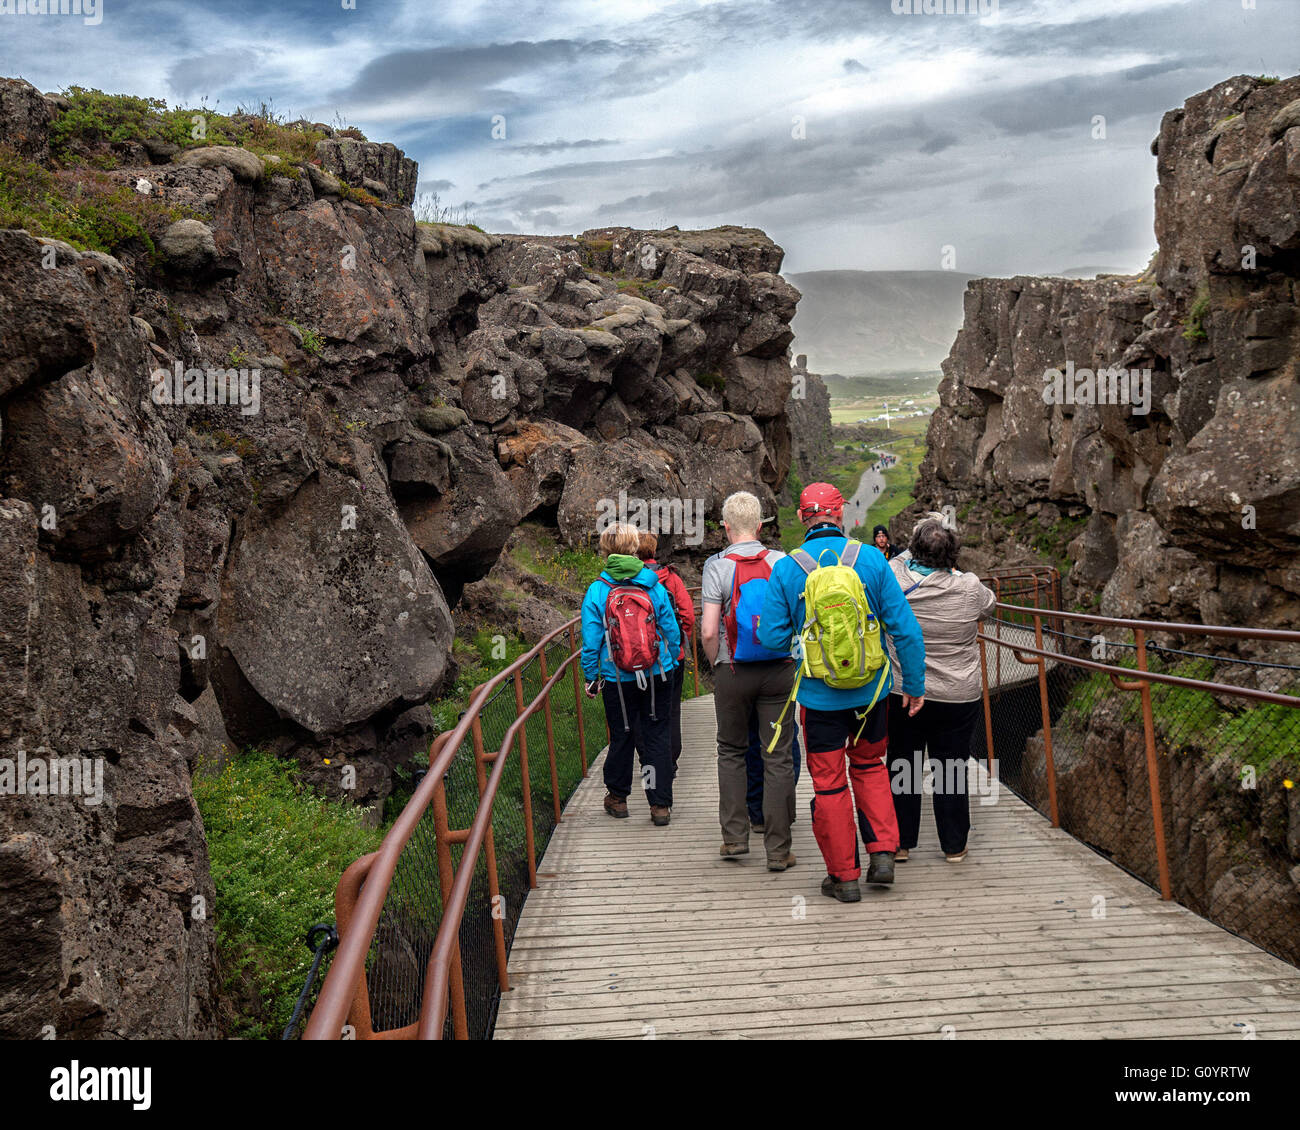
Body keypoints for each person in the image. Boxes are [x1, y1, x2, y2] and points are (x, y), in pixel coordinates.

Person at [757, 483, 926, 902]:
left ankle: (844, 878)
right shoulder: (870, 559)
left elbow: (773, 638)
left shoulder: (788, 568)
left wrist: (804, 638)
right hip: (872, 695)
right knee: (870, 766)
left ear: (801, 517)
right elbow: (904, 628)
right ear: (842, 514)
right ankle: (883, 853)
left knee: (829, 784)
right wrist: (915, 685)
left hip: (818, 699)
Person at [886, 518, 996, 862]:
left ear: (914, 550)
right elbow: (989, 607)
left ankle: (901, 843)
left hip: (904, 689)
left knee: (903, 761)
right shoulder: (969, 586)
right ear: (954, 555)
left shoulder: (896, 577)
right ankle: (953, 845)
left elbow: (899, 560)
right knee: (950, 765)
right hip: (957, 693)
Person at [700, 492, 797, 871]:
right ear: (760, 526)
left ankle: (735, 839)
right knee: (777, 756)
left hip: (733, 670)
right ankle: (778, 850)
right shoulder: (782, 562)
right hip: (778, 670)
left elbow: (709, 631)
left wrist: (718, 666)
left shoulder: (716, 566)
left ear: (726, 527)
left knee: (731, 751)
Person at [580, 522, 682, 826]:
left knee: (622, 734)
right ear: (635, 547)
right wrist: (672, 658)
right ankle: (659, 804)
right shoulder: (653, 583)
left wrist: (590, 675)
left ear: (606, 550)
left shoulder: (598, 589)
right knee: (657, 735)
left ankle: (618, 798)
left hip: (616, 677)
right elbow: (671, 628)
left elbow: (591, 639)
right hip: (657, 674)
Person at [636, 531, 695, 775]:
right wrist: (681, 643)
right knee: (670, 709)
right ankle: (670, 759)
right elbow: (688, 615)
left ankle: (648, 761)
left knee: (640, 711)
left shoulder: (623, 580)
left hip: (635, 660)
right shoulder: (670, 578)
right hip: (670, 658)